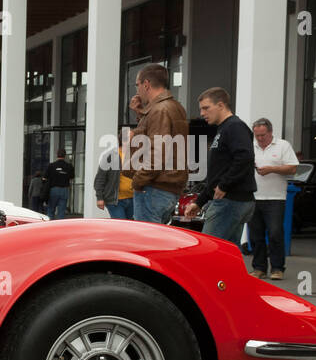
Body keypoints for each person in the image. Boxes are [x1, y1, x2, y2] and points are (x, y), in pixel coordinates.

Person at [187, 88, 256, 243]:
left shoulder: (234, 127)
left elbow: (245, 157)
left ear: (220, 105)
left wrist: (225, 185)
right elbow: (217, 174)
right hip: (230, 200)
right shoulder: (224, 129)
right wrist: (200, 202)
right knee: (227, 255)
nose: (202, 113)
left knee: (208, 251)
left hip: (230, 201)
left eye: (206, 108)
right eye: (201, 109)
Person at [128, 63, 189, 224]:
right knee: (157, 243)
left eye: (138, 85)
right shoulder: (175, 107)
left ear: (146, 84)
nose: (137, 90)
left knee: (147, 243)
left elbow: (158, 152)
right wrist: (141, 113)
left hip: (153, 189)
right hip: (166, 188)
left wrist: (138, 181)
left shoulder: (159, 110)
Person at [247, 117, 298, 279]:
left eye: (263, 135)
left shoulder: (283, 146)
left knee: (275, 232)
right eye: (257, 136)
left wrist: (272, 169)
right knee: (255, 234)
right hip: (253, 197)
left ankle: (277, 268)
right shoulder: (250, 147)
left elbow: (292, 168)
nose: (260, 139)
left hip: (276, 198)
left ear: (270, 132)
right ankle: (259, 267)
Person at [45, 147, 73, 219]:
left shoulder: (51, 165)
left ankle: (48, 227)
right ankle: (60, 228)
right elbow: (72, 177)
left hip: (53, 189)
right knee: (61, 212)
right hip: (64, 190)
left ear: (57, 155)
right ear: (65, 155)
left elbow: (45, 177)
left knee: (50, 210)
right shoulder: (69, 166)